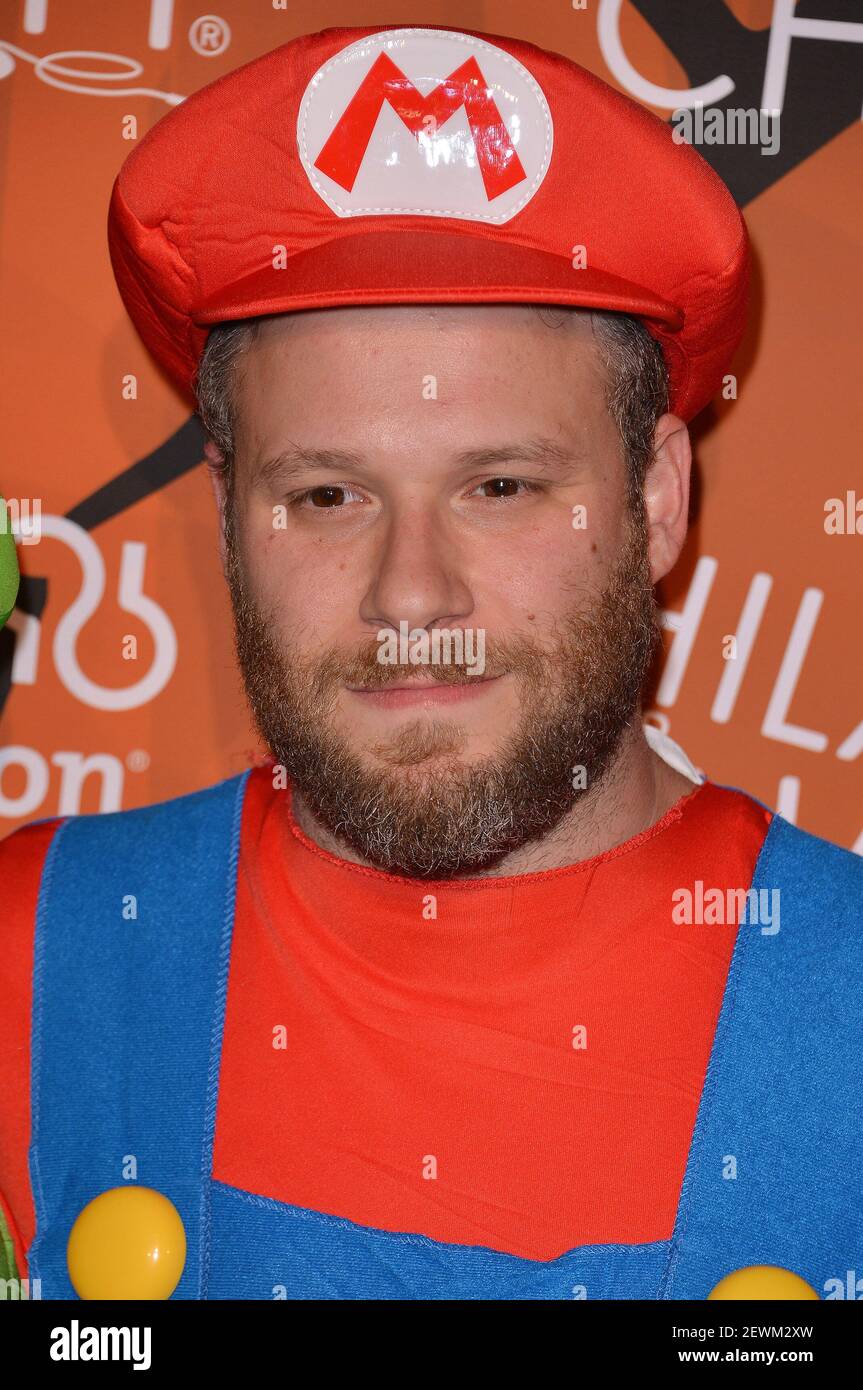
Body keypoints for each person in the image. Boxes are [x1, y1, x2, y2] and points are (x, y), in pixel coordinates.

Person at [1, 23, 860, 1302]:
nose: (411, 595)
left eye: (500, 485)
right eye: (329, 495)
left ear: (659, 496)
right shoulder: (34, 950)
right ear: (231, 507)